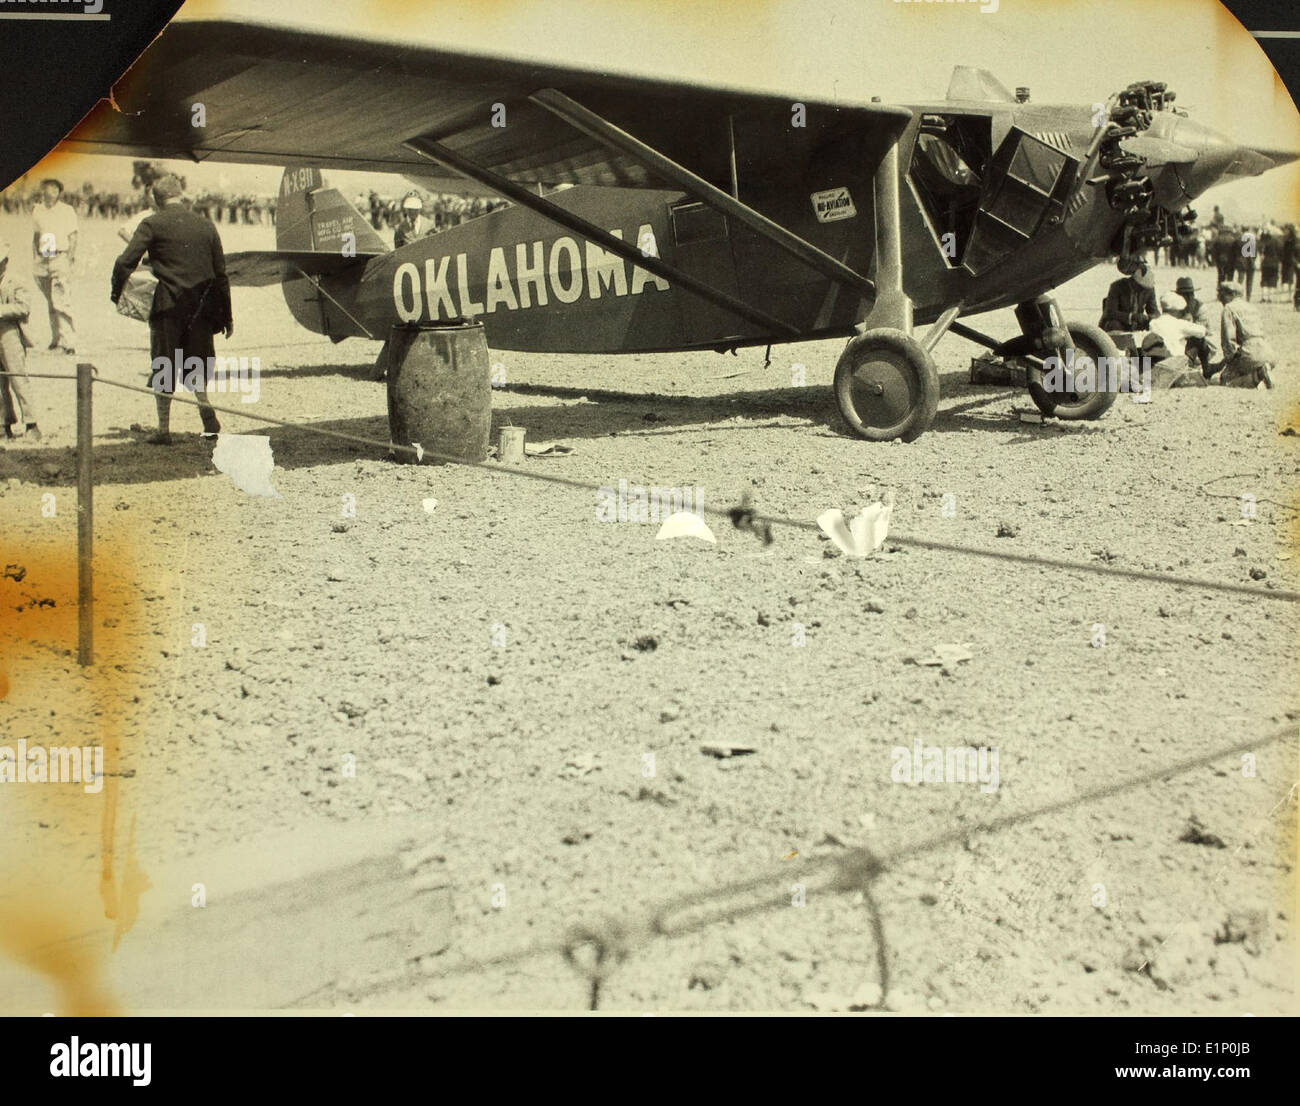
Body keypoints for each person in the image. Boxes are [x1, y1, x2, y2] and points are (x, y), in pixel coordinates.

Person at [110, 175, 232, 444]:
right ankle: (205, 409)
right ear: (181, 194)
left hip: (167, 306)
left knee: (164, 364)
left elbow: (124, 262)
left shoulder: (152, 223)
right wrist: (227, 317)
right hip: (201, 307)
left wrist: (116, 292)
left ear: (155, 198)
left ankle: (163, 429)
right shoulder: (206, 225)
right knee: (196, 362)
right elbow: (221, 275)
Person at [0, 241, 45, 442]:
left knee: (18, 378)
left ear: (6, 262)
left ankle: (32, 424)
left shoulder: (15, 281)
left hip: (9, 332)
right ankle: (4, 423)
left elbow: (23, 307)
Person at [31, 178, 78, 354]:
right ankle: (55, 339)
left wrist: (69, 258)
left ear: (59, 192)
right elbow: (36, 236)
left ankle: (69, 342)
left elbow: (73, 236)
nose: (51, 191)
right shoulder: (38, 210)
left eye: (55, 188)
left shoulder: (66, 210)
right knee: (50, 301)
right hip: (44, 257)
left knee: (62, 299)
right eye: (47, 187)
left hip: (60, 256)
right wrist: (36, 257)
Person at [1212, 280, 1273, 389]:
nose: (1219, 298)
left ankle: (1255, 376)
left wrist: (1228, 363)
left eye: (1221, 294)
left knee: (1225, 379)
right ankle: (1263, 371)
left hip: (1249, 353)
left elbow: (1228, 341)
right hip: (1267, 352)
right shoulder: (1252, 307)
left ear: (1232, 294)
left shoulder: (1229, 308)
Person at [1139, 292, 1208, 388]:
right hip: (1177, 361)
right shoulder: (1179, 323)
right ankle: (1206, 368)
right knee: (1198, 339)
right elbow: (1202, 331)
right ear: (1176, 311)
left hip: (1161, 360)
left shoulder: (1153, 323)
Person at [1173, 276, 1218, 377]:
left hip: (1203, 344)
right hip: (1182, 340)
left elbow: (1198, 331)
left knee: (1196, 339)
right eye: (1183, 294)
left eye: (1189, 294)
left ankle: (1200, 365)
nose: (1187, 297)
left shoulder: (1200, 308)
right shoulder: (1174, 306)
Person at [1099, 258, 1157, 334]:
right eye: (1140, 287)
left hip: (1136, 325)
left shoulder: (1148, 290)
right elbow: (1110, 312)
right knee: (1114, 324)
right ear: (1133, 281)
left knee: (1154, 326)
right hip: (1119, 324)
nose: (1142, 290)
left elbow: (1153, 311)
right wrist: (1132, 317)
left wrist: (1152, 318)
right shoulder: (1117, 287)